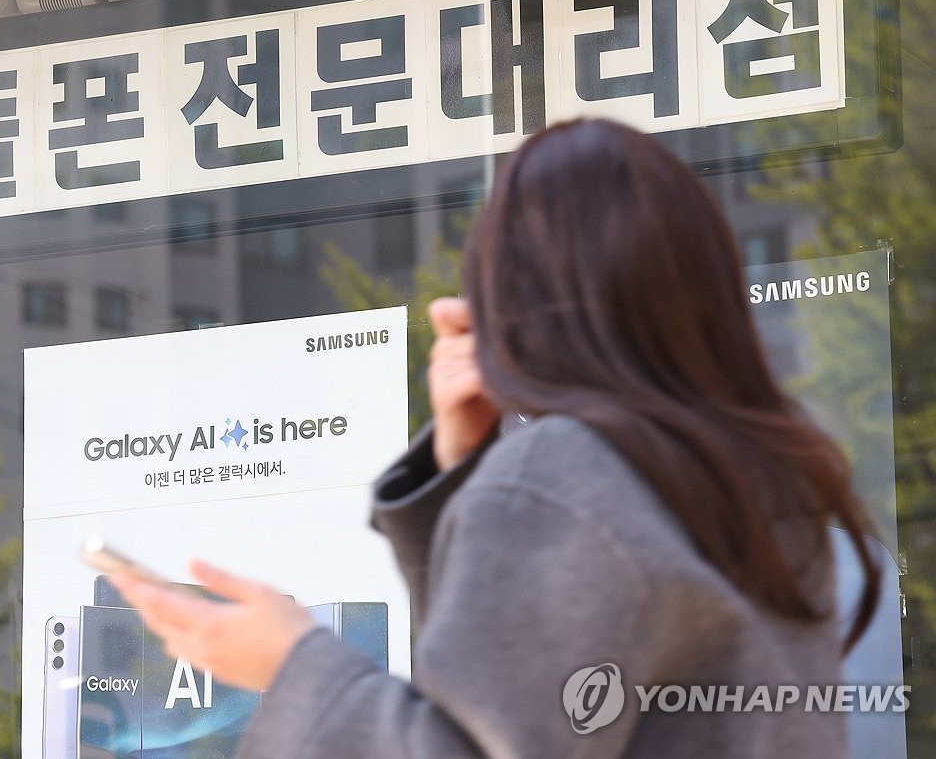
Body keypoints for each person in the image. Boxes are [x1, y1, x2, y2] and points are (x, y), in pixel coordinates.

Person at [113, 118, 881, 757]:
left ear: (507, 288)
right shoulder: (760, 478)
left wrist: (290, 663)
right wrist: (466, 466)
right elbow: (522, 710)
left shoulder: (569, 474)